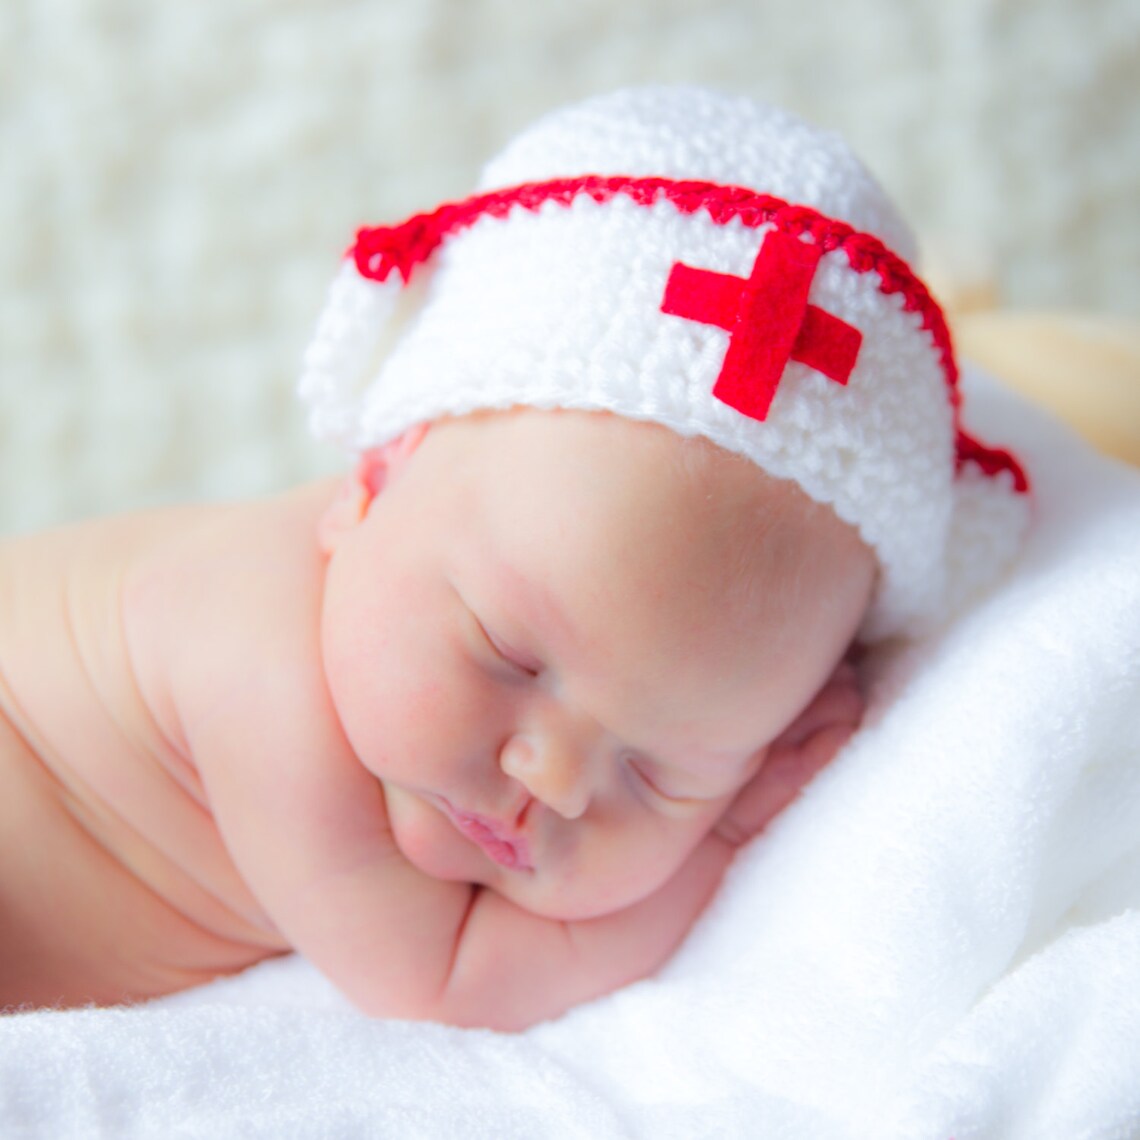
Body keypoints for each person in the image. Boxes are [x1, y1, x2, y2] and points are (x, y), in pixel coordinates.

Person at [0, 87, 1029, 1031]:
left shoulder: (423, 583)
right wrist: (716, 839)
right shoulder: (252, 675)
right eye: (506, 655)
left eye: (660, 768)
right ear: (374, 480)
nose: (557, 779)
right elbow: (449, 981)